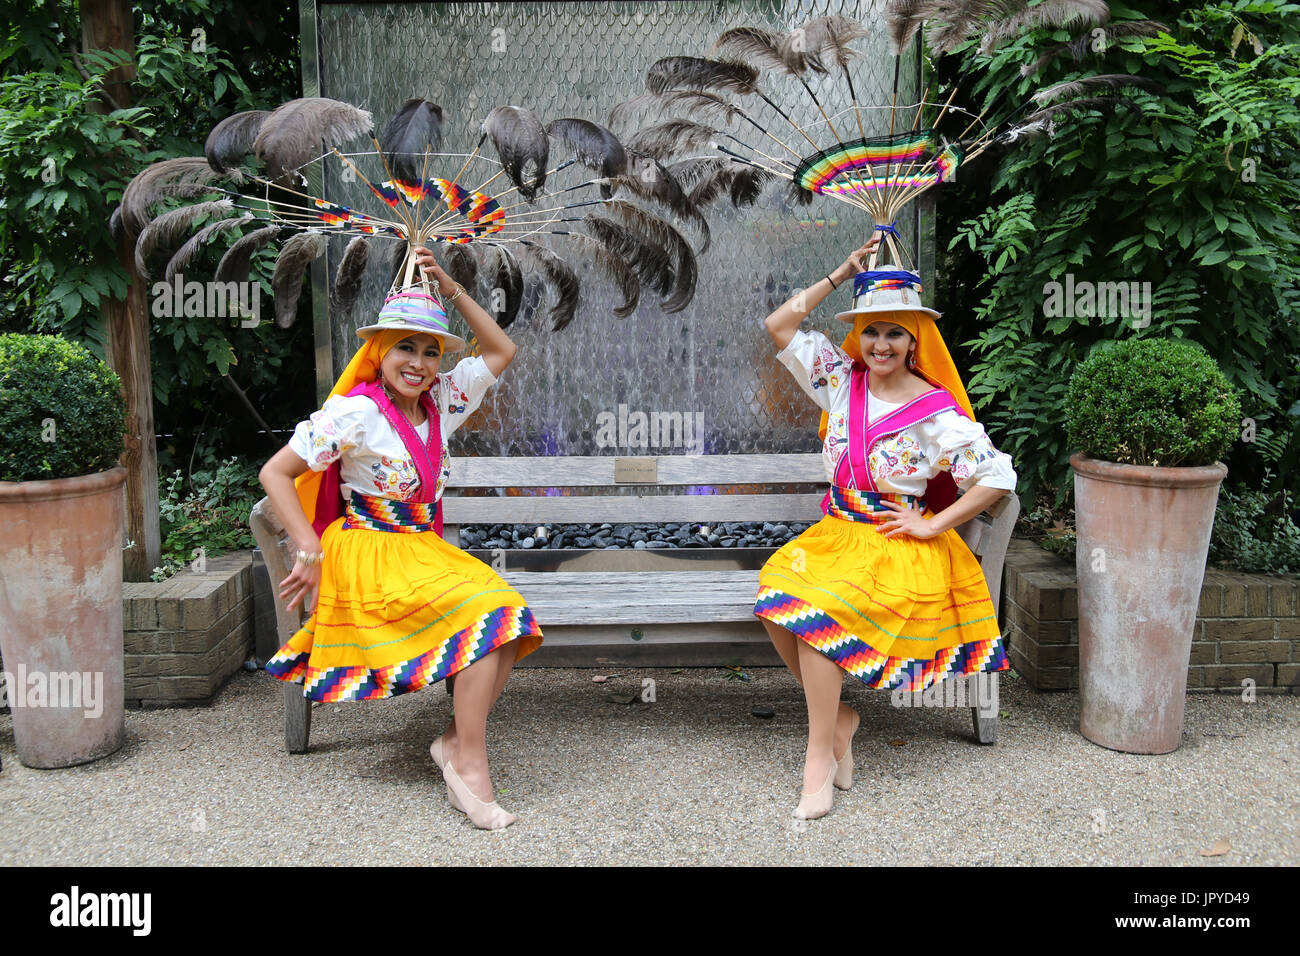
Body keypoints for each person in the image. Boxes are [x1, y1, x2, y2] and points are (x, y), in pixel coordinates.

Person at [259, 247, 541, 830]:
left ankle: (454, 746)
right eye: (406, 347)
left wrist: (453, 286)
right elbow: (275, 473)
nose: (417, 362)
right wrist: (307, 546)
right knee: (488, 614)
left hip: (420, 549)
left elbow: (501, 350)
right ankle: (472, 763)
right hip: (367, 549)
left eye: (430, 350)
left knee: (510, 621)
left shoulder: (444, 401)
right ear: (382, 351)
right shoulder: (355, 413)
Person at [754, 237, 1017, 820]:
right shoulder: (837, 381)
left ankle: (818, 757)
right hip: (838, 532)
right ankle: (841, 720)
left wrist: (933, 524)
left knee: (819, 614)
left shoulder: (935, 408)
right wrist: (839, 270)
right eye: (870, 330)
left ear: (914, 339)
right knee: (778, 596)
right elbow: (778, 325)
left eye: (894, 332)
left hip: (896, 543)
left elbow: (998, 476)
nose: (880, 344)